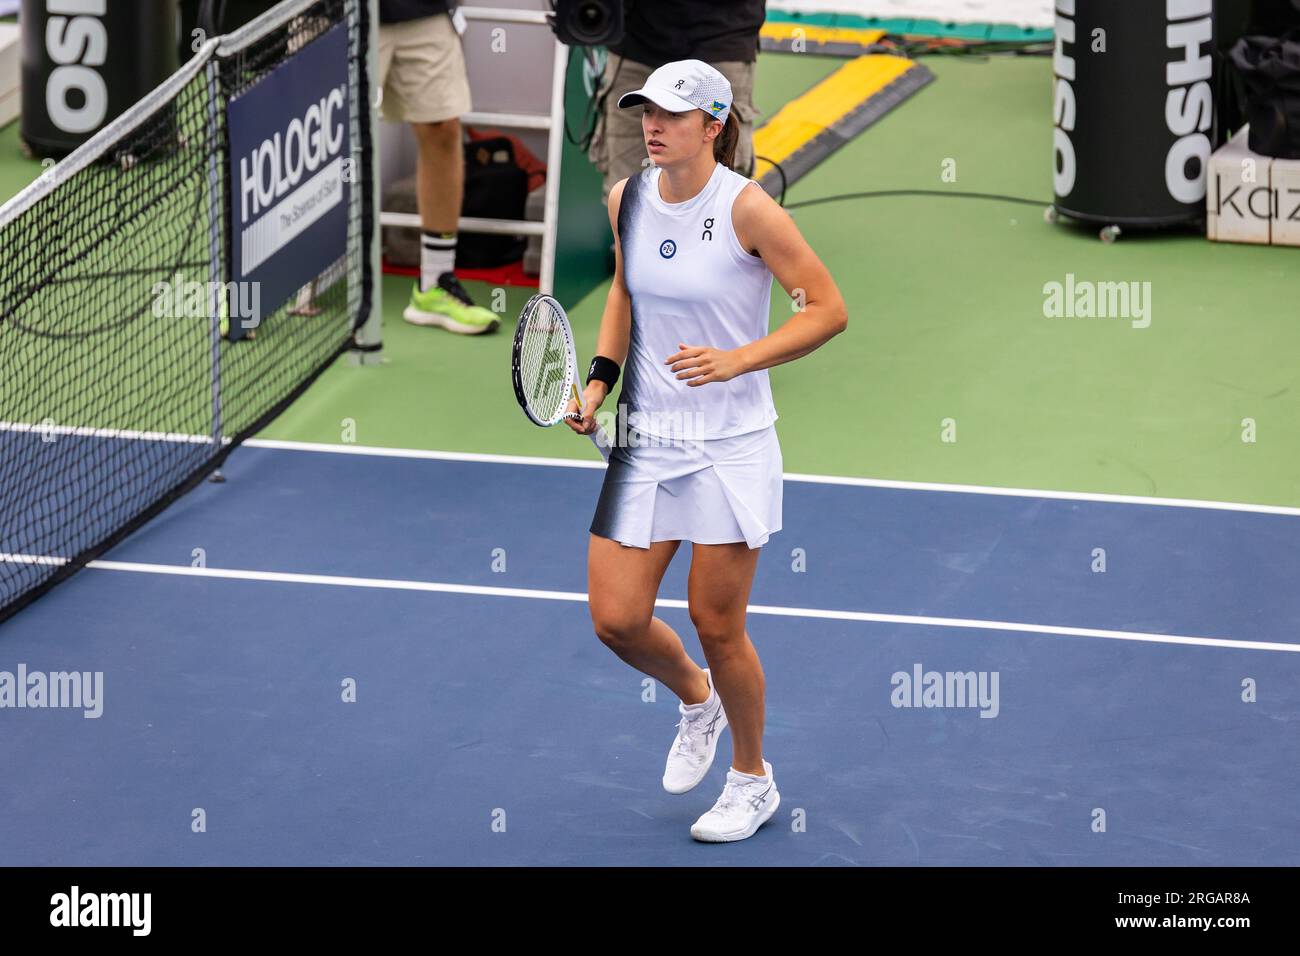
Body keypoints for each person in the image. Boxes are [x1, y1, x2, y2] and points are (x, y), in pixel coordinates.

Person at [566, 60, 847, 842]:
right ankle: (698, 698)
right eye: (646, 112)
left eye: (673, 115)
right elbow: (624, 292)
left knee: (714, 620)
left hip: (729, 443)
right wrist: (597, 384)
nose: (653, 126)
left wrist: (738, 358)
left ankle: (752, 779)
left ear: (714, 126)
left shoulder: (749, 211)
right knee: (616, 619)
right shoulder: (627, 198)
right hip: (647, 439)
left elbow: (827, 309)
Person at [378, 0, 498, 333]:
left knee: (442, 128)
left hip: (423, 10)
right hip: (337, 15)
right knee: (321, 133)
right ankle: (257, 283)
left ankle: (435, 283)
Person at [588, 0, 766, 203]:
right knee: (627, 197)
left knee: (727, 197)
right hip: (636, 40)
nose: (655, 124)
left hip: (722, 38)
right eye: (648, 112)